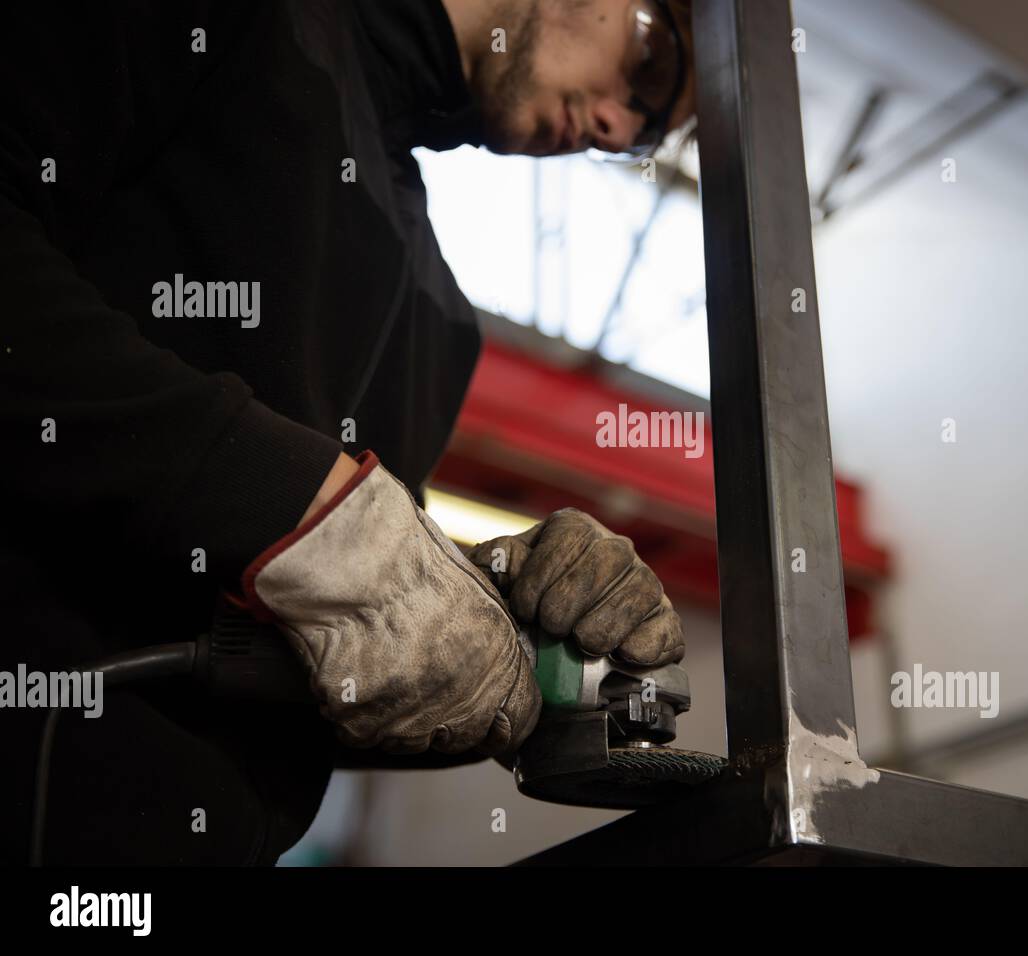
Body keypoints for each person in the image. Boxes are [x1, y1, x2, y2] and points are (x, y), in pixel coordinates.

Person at [0, 0, 695, 865]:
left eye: (643, 135)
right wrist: (298, 508)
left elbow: (323, 671)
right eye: (653, 64)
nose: (615, 123)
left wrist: (485, 618)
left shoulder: (440, 318)